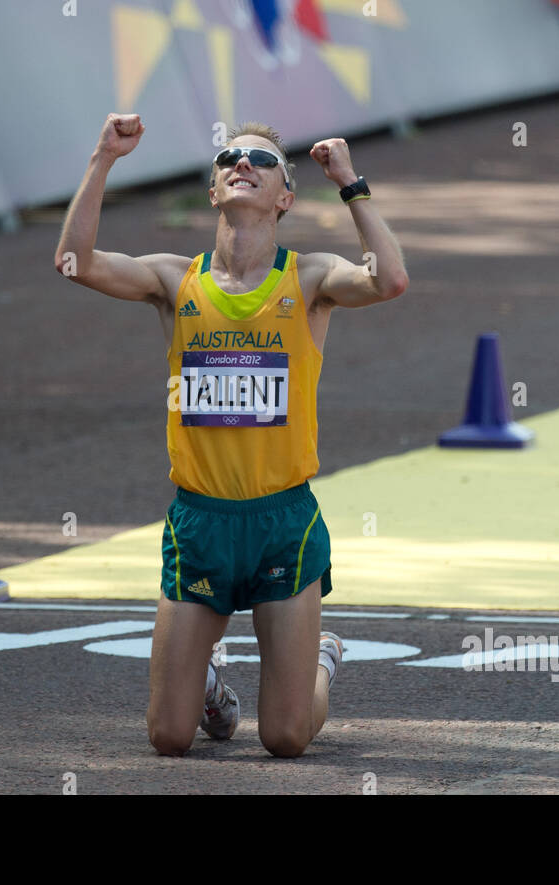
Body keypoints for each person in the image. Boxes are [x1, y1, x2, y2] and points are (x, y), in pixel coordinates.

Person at [54, 113, 408, 757]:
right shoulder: (172, 281)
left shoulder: (309, 279)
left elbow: (389, 280)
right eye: (229, 159)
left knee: (285, 738)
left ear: (285, 198)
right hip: (201, 523)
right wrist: (104, 157)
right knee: (167, 737)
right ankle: (211, 688)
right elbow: (73, 262)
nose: (242, 163)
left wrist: (351, 184)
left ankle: (321, 661)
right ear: (215, 192)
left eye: (261, 160)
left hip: (283, 521)